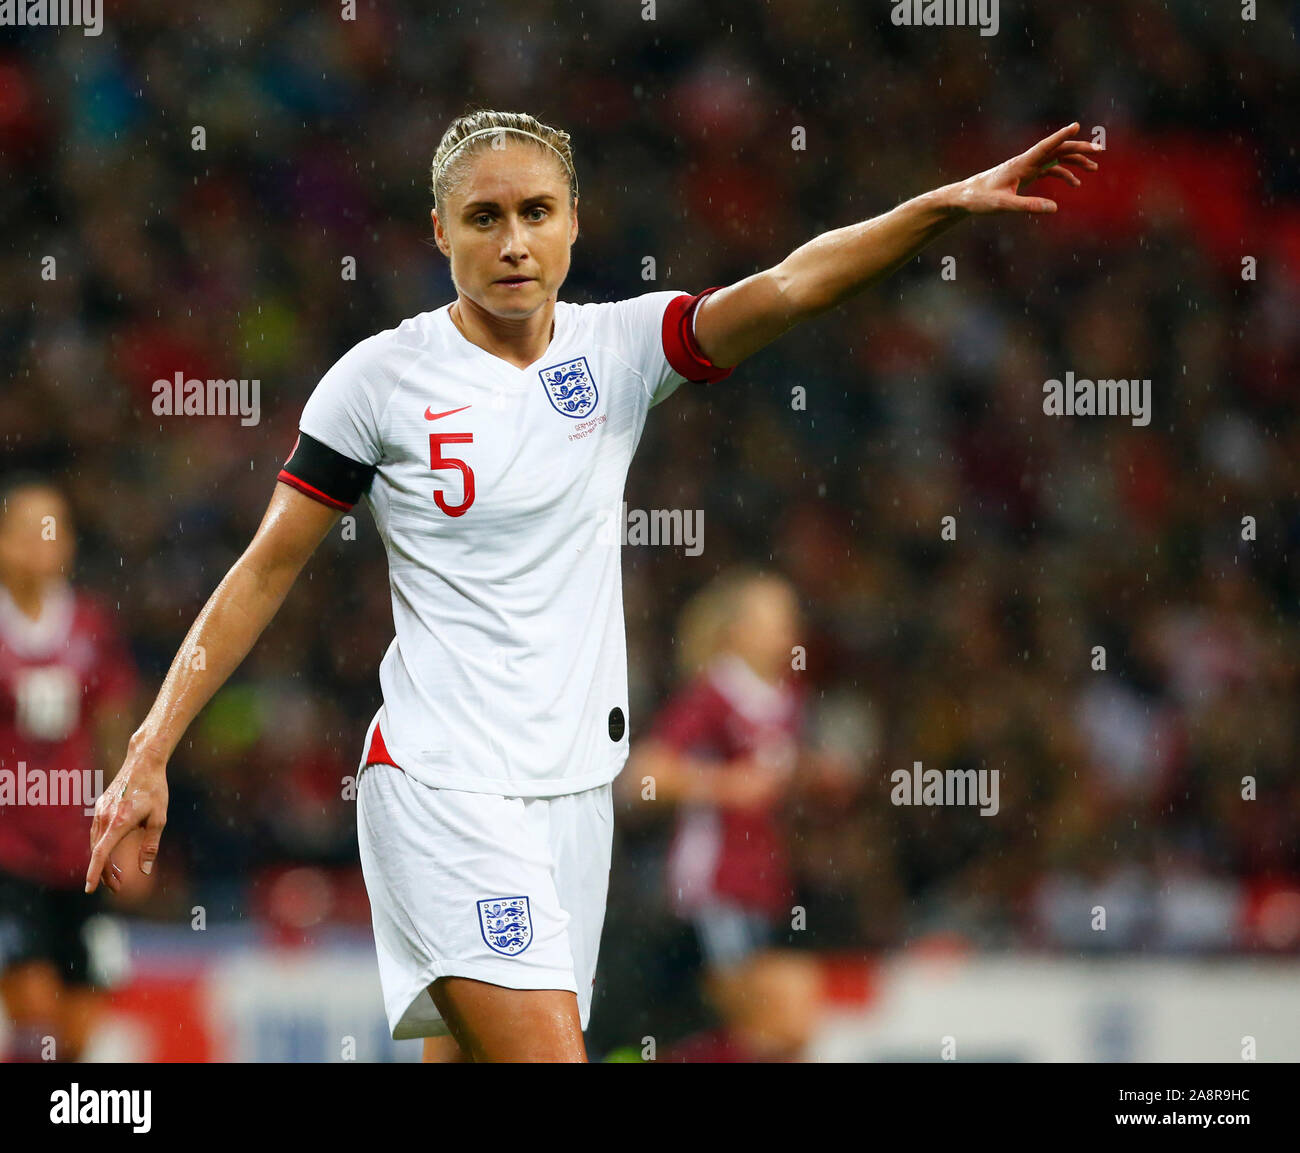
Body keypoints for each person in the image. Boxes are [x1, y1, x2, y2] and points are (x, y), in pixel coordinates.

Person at [85, 108, 1099, 1062]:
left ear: (575, 222)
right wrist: (150, 749)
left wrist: (931, 210)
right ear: (439, 229)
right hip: (443, 785)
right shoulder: (380, 381)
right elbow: (265, 565)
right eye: (484, 217)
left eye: (536, 212)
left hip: (574, 798)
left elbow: (793, 285)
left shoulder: (617, 351)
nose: (513, 241)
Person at [620, 567, 834, 1055]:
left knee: (782, 1024)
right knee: (754, 1018)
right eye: (775, 618)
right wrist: (727, 786)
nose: (788, 631)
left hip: (770, 878)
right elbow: (644, 776)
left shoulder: (787, 699)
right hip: (715, 881)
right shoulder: (712, 696)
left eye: (790, 618)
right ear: (738, 630)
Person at [0, 476, 140, 1062]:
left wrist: (130, 833)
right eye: (27, 530)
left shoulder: (91, 629)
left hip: (80, 850)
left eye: (52, 531)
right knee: (34, 1011)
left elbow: (118, 736)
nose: (41, 544)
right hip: (9, 851)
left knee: (80, 1030)